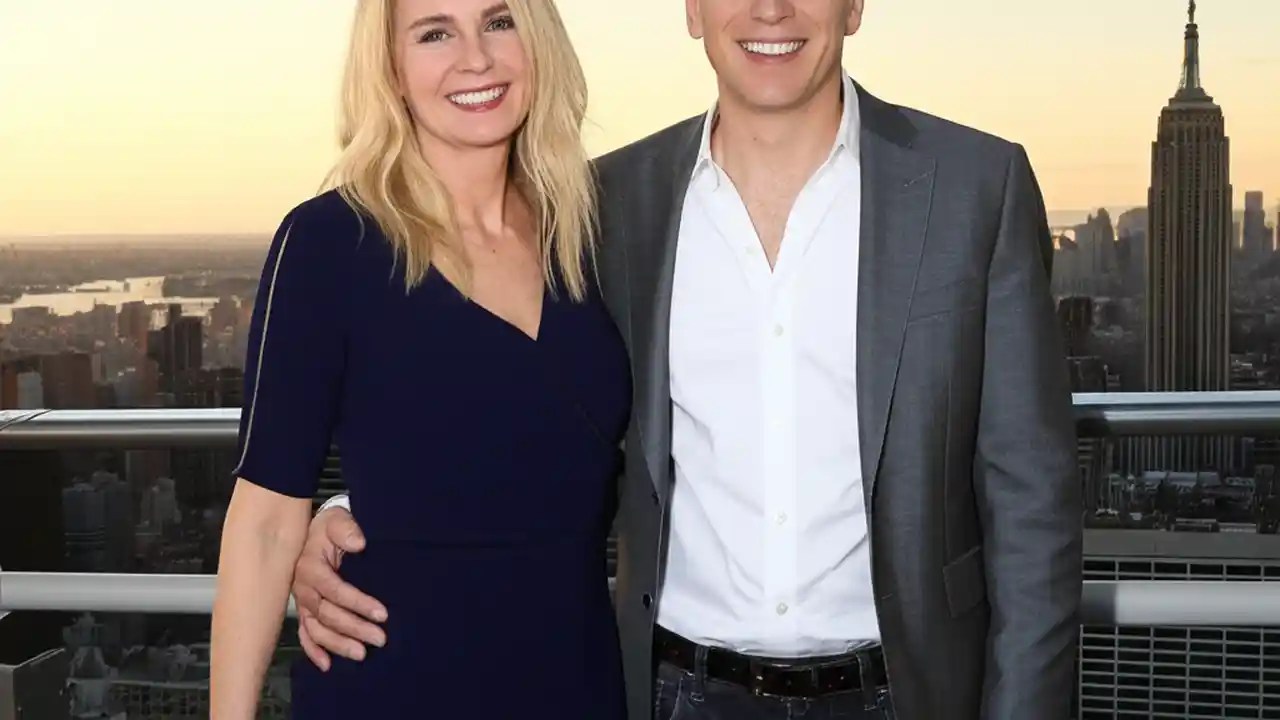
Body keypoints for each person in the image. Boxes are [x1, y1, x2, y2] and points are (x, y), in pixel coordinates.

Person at [293, 0, 1084, 718]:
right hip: (677, 696)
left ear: (855, 6)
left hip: (906, 694)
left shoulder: (976, 186)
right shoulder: (603, 205)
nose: (770, 10)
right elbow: (513, 403)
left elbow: (1032, 504)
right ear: (692, 10)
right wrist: (351, 516)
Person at [208, 0, 630, 717]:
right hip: (393, 685)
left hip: (576, 683)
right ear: (392, 71)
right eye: (435, 33)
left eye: (499, 22)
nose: (476, 57)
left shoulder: (596, 232)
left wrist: (338, 508)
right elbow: (267, 519)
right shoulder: (327, 245)